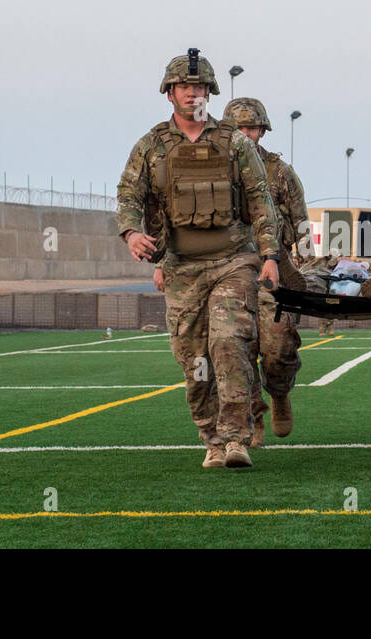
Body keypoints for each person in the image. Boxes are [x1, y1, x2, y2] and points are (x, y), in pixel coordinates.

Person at [117, 48, 282, 469]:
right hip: (180, 267)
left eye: (200, 87)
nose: (193, 93)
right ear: (169, 93)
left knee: (229, 343)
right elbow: (129, 195)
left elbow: (262, 200)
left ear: (210, 92)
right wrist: (132, 231)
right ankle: (210, 436)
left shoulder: (234, 143)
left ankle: (235, 437)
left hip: (232, 260)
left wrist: (268, 256)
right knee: (196, 361)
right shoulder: (151, 145)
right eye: (185, 87)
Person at [222, 96, 309, 446]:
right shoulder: (215, 172)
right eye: (238, 127)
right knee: (237, 350)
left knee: (276, 349)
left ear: (262, 130)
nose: (246, 133)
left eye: (252, 127)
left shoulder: (280, 173)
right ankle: (253, 414)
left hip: (274, 274)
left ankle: (279, 393)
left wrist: (307, 273)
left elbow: (302, 225)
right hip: (229, 274)